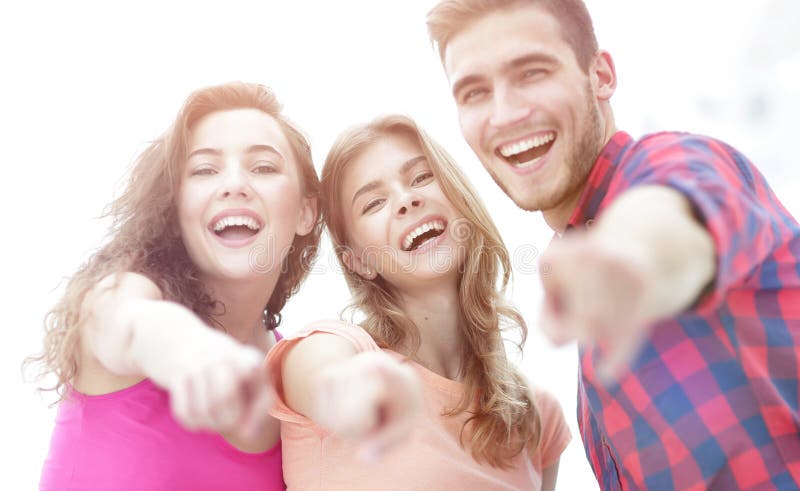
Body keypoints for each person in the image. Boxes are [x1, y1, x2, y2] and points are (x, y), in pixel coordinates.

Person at [426, 1, 800, 489]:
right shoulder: (590, 329)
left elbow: (676, 217)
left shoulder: (672, 163)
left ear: (600, 75)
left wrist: (630, 258)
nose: (505, 114)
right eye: (475, 92)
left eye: (532, 72)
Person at [28, 82, 322, 490]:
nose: (234, 184)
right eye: (205, 170)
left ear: (306, 212)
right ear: (175, 205)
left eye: (264, 167)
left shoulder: (295, 378)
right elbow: (131, 322)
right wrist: (186, 346)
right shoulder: (121, 295)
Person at [265, 114, 570, 490]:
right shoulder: (334, 348)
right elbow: (324, 380)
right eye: (374, 202)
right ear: (358, 260)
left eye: (422, 178)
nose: (407, 200)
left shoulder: (536, 416)